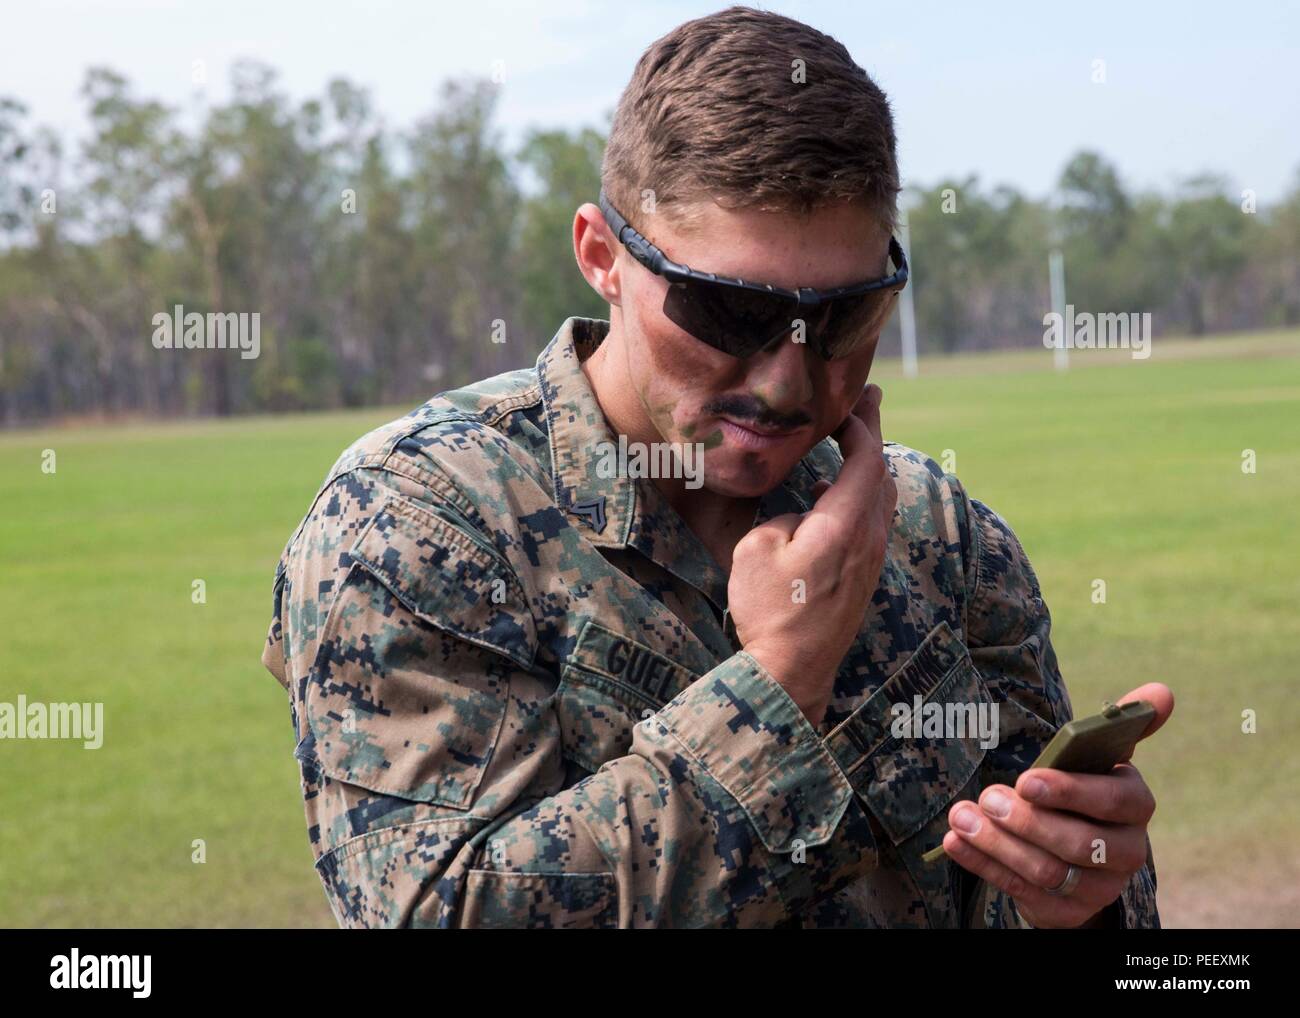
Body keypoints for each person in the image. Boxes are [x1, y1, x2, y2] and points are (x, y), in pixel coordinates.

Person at [261, 6, 1169, 928]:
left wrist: (1076, 901)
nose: (783, 383)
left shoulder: (938, 532)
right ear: (601, 256)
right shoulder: (416, 523)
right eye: (728, 313)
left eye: (844, 318)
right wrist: (781, 676)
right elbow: (437, 914)